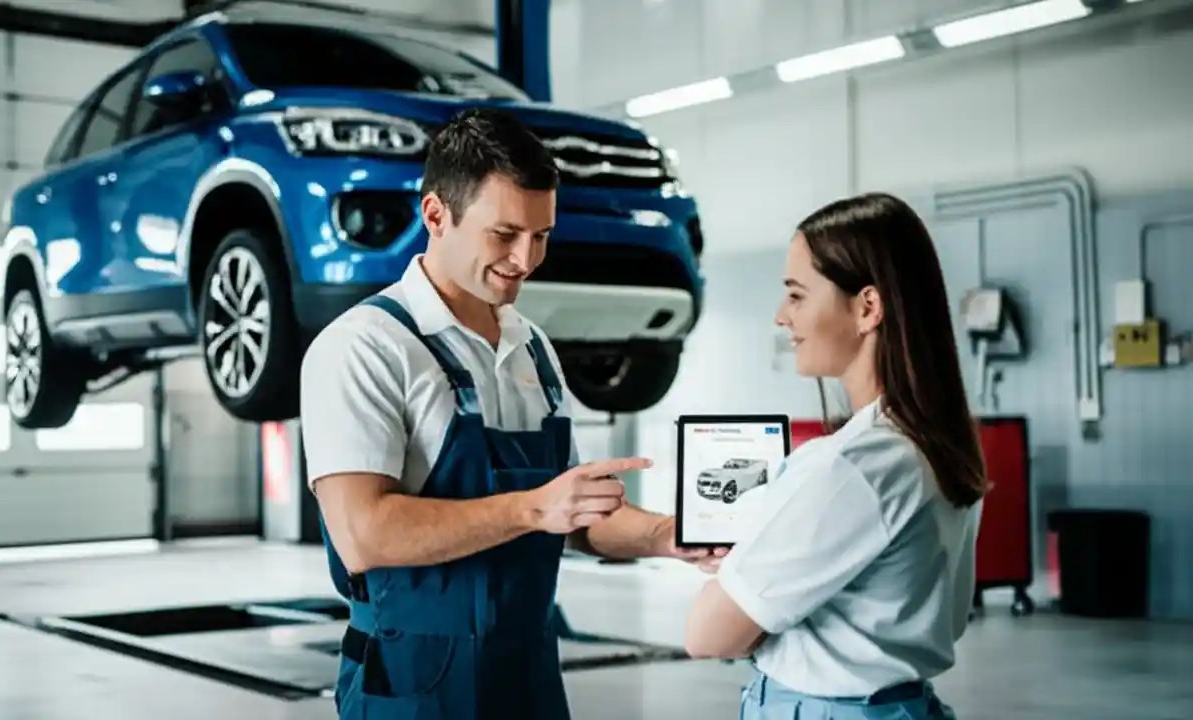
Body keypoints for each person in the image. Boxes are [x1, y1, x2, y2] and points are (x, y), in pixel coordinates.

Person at [300, 107, 721, 719]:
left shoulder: (533, 348)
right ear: (436, 215)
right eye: (504, 235)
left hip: (528, 677)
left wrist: (667, 535)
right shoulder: (364, 346)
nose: (525, 260)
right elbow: (364, 535)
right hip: (413, 687)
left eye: (541, 235)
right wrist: (533, 507)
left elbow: (574, 518)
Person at [682, 193, 986, 720]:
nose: (782, 317)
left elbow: (708, 634)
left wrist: (744, 577)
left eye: (797, 296)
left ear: (868, 307)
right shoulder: (932, 445)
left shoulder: (852, 465)